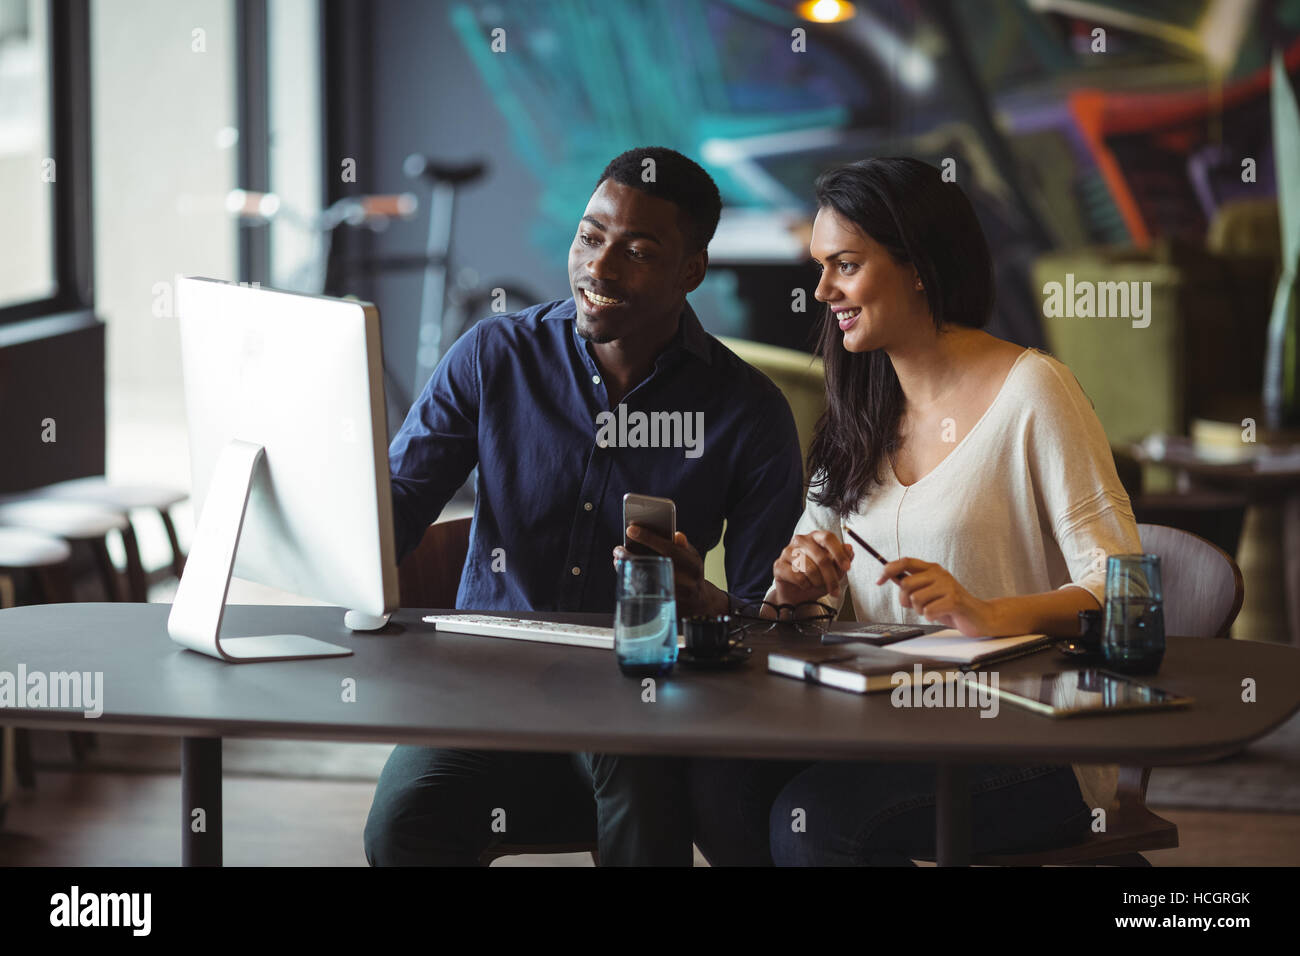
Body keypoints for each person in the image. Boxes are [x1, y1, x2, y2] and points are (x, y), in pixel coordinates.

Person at [689, 157, 1141, 866]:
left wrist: (991, 614)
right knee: (715, 784)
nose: (821, 290)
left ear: (919, 265)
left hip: (1033, 742)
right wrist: (794, 590)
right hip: (885, 731)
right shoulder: (859, 411)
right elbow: (808, 610)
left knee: (817, 822)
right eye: (820, 266)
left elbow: (1126, 589)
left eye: (845, 264)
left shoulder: (1034, 392)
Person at [364, 146, 804, 866]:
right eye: (590, 237)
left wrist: (697, 597)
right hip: (488, 686)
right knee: (404, 826)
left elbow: (768, 625)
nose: (598, 269)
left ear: (690, 272)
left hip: (641, 698)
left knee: (644, 790)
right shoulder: (493, 357)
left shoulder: (748, 412)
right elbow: (397, 509)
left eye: (636, 251)